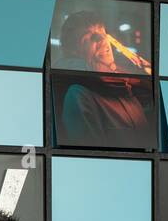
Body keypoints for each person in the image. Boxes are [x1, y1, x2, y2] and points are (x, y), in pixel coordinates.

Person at [55, 10, 152, 149]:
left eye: (102, 33)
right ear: (74, 53)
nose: (101, 39)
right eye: (88, 37)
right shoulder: (79, 96)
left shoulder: (126, 89)